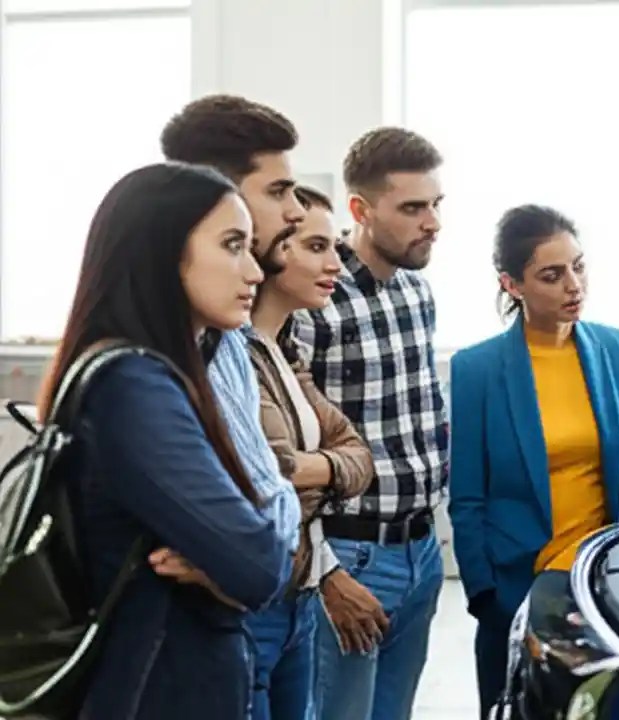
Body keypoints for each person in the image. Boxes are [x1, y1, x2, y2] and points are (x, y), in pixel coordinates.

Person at [38, 162, 294, 718]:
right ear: (162, 253)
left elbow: (249, 558)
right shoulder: (133, 385)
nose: (254, 271)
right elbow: (260, 563)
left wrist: (223, 562)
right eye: (232, 246)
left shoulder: (162, 373)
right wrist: (231, 563)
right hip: (153, 691)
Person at [449, 204, 619, 717]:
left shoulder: (612, 348)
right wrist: (486, 594)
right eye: (552, 274)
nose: (574, 285)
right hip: (518, 586)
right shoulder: (476, 369)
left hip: (607, 581)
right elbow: (467, 497)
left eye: (579, 266)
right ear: (512, 283)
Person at [159, 93, 314, 716]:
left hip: (254, 610)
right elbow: (261, 536)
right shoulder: (158, 360)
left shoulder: (230, 338)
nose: (297, 212)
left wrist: (258, 540)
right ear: (218, 195)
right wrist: (258, 541)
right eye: (279, 191)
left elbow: (270, 511)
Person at [293, 127, 448, 720]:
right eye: (412, 207)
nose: (431, 221)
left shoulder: (418, 292)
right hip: (351, 557)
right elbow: (287, 457)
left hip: (422, 552)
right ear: (360, 210)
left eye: (436, 204)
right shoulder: (315, 301)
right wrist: (327, 574)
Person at [243, 184, 376, 719]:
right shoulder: (235, 358)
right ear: (274, 248)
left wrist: (307, 469)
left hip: (297, 598)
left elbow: (357, 454)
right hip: (259, 604)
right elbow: (267, 482)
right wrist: (297, 473)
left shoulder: (284, 348)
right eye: (317, 247)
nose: (336, 267)